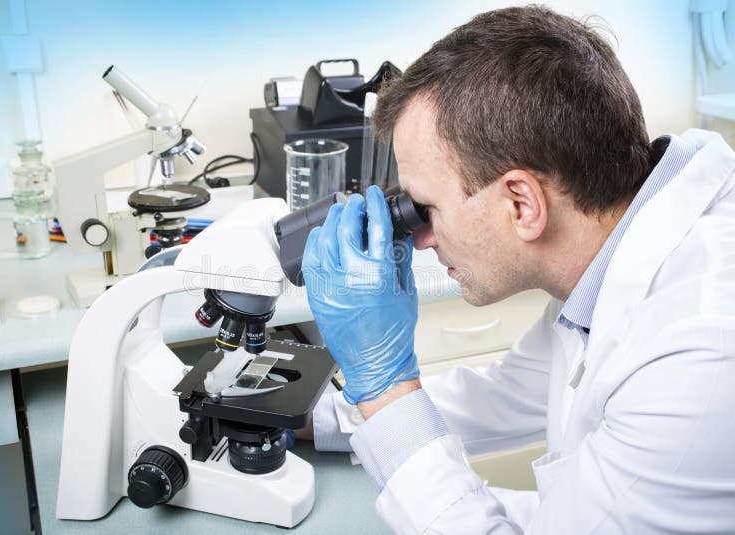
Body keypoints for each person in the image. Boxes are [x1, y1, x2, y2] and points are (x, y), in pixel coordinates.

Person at [298, 5, 735, 534]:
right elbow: (506, 396)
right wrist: (313, 415)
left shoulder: (698, 354)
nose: (420, 239)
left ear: (523, 204)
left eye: (426, 209)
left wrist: (383, 385)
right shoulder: (610, 253)